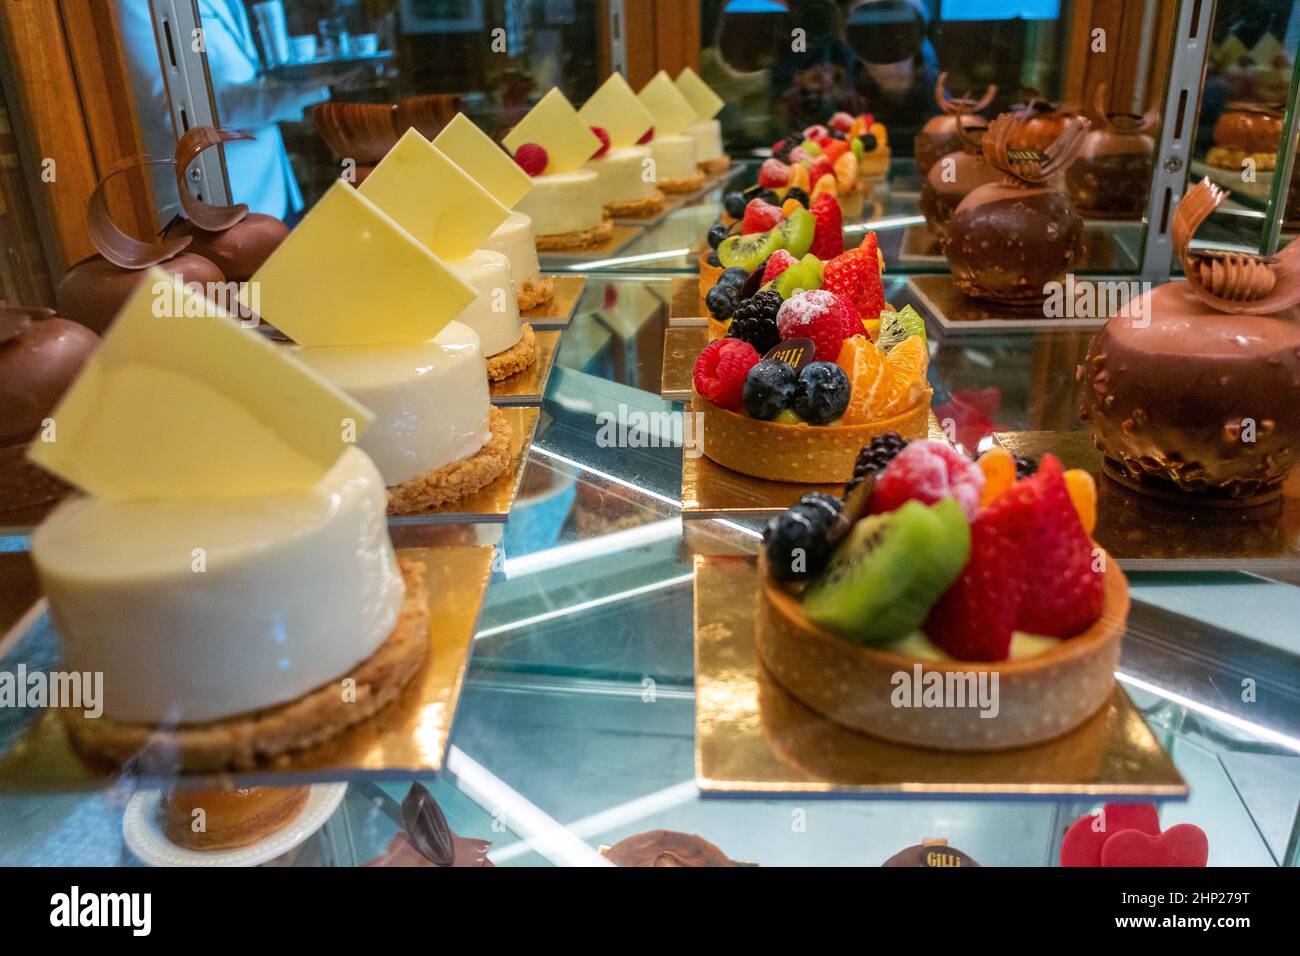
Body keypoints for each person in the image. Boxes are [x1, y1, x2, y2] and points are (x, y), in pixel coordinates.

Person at [117, 0, 332, 222]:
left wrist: (314, 77)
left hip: (274, 190)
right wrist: (303, 89)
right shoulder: (138, 4)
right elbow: (180, 112)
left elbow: (244, 76)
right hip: (217, 210)